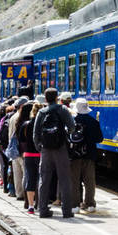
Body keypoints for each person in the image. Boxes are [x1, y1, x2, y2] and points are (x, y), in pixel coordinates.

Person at [32, 87, 75, 218]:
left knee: (44, 179)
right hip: (60, 148)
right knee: (65, 180)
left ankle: (43, 210)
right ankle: (67, 211)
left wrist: (40, 147)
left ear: (45, 99)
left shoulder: (41, 112)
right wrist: (64, 135)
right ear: (57, 98)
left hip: (45, 150)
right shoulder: (63, 110)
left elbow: (35, 133)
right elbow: (72, 127)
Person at [68, 98, 104, 213]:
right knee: (89, 181)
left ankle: (75, 205)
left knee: (74, 181)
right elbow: (100, 139)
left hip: (75, 155)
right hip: (89, 155)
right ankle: (90, 204)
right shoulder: (93, 121)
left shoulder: (72, 121)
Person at [17, 101, 41, 214]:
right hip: (41, 155)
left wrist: (24, 151)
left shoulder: (26, 124)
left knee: (30, 179)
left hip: (28, 155)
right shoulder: (42, 124)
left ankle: (30, 206)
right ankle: (39, 204)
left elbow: (21, 140)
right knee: (41, 180)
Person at [10, 98, 29, 202]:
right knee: (25, 172)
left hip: (13, 148)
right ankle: (26, 195)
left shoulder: (12, 116)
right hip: (21, 149)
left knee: (17, 173)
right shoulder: (22, 117)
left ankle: (19, 193)